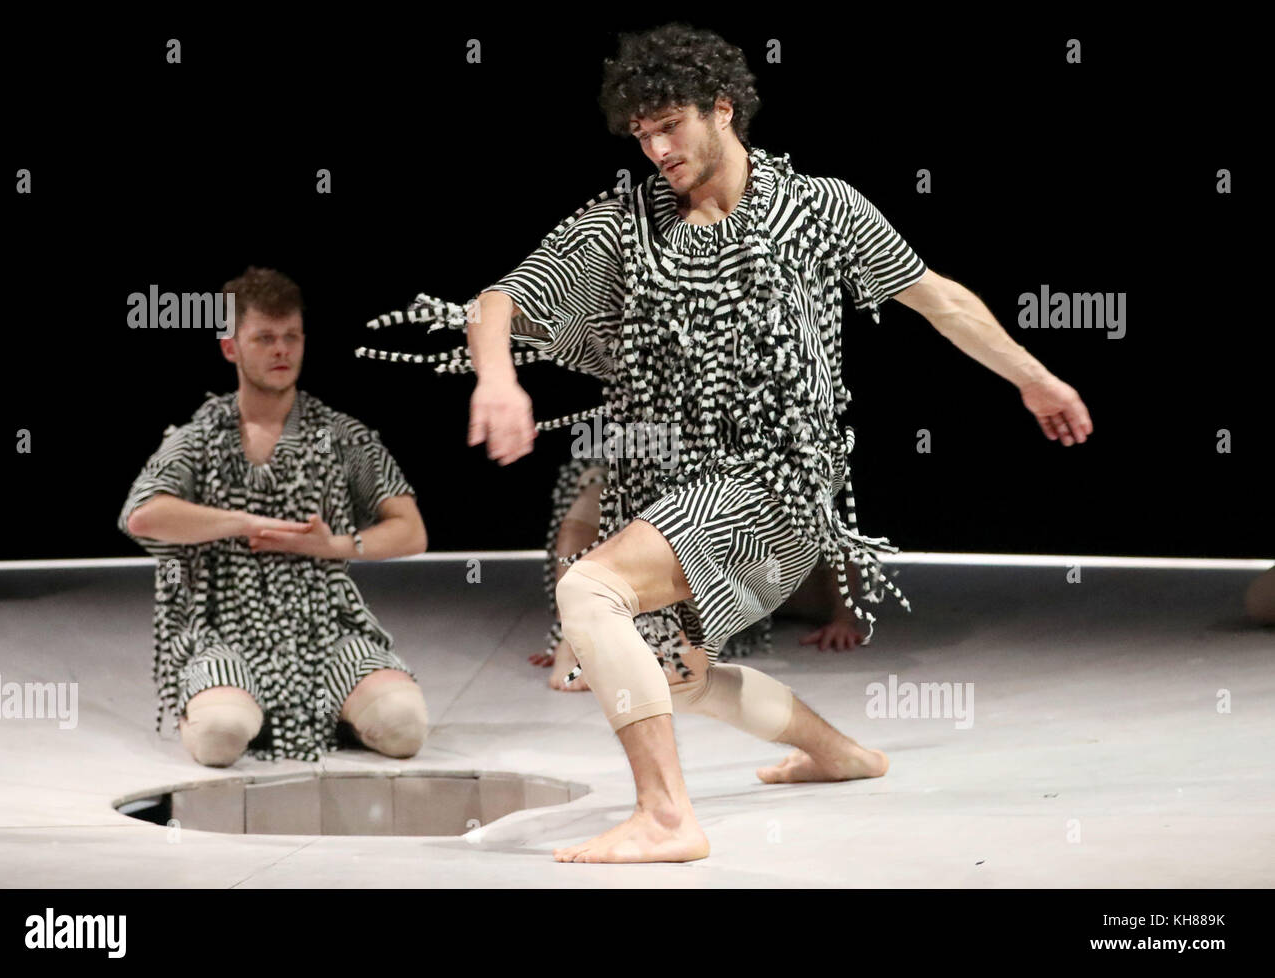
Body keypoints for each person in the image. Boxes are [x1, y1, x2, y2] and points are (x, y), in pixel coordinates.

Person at [375, 23, 1092, 862]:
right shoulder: (627, 227)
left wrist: (1032, 375)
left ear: (723, 108)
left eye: (671, 124)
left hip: (777, 484)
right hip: (674, 490)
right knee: (680, 672)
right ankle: (842, 755)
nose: (657, 149)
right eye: (641, 134)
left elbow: (939, 299)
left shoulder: (820, 208)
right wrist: (496, 378)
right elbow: (501, 298)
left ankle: (668, 820)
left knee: (591, 592)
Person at [120, 267, 429, 766]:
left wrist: (332, 547)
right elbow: (143, 516)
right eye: (264, 338)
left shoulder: (342, 435)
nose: (281, 350)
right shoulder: (198, 437)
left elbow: (411, 530)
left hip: (326, 628)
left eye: (291, 337)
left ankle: (326, 707)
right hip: (223, 629)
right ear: (230, 348)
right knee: (221, 733)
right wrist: (244, 523)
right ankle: (213, 700)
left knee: (403, 725)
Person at [533, 455, 865, 692]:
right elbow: (581, 520)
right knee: (595, 494)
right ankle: (577, 635)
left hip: (754, 571)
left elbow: (829, 527)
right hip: (660, 559)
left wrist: (844, 619)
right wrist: (571, 634)